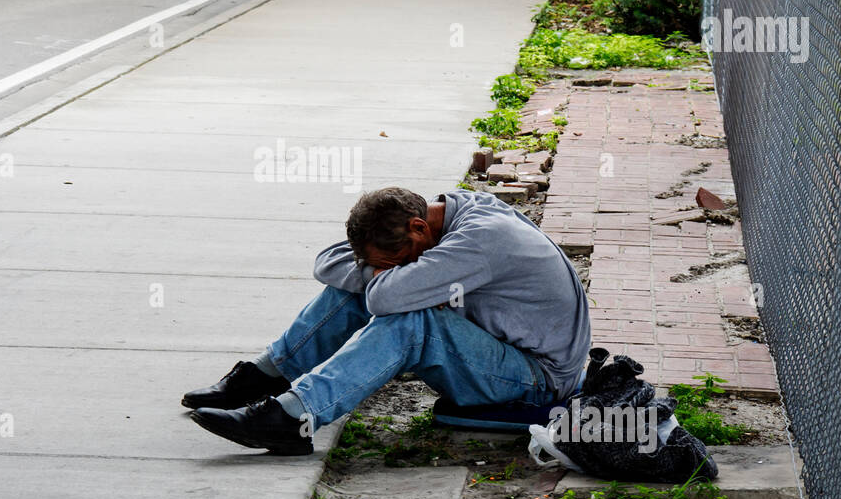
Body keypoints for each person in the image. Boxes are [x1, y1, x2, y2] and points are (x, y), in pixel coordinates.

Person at [184, 186, 592, 454]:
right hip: (499, 352)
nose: (388, 268)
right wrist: (383, 270)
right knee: (358, 289)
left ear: (418, 226)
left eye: (392, 261)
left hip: (535, 379)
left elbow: (385, 297)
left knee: (410, 320)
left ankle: (293, 418)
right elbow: (328, 261)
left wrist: (384, 277)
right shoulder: (441, 216)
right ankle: (268, 374)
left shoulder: (482, 239)